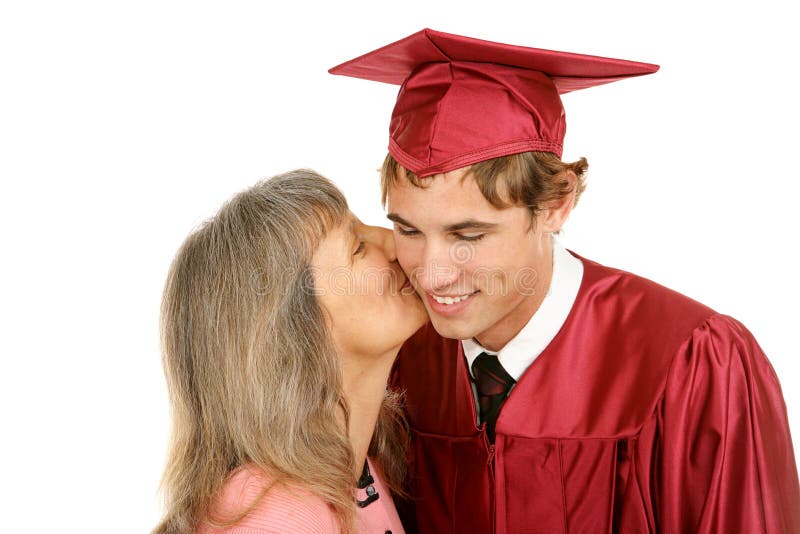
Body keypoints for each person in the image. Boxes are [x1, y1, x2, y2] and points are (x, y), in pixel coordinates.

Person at [330, 29, 800, 533]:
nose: (433, 273)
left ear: (556, 205)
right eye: (408, 230)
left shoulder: (693, 363)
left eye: (469, 235)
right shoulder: (400, 359)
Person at [153, 169, 427, 533]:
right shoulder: (277, 516)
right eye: (358, 247)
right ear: (297, 331)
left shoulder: (360, 470)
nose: (393, 243)